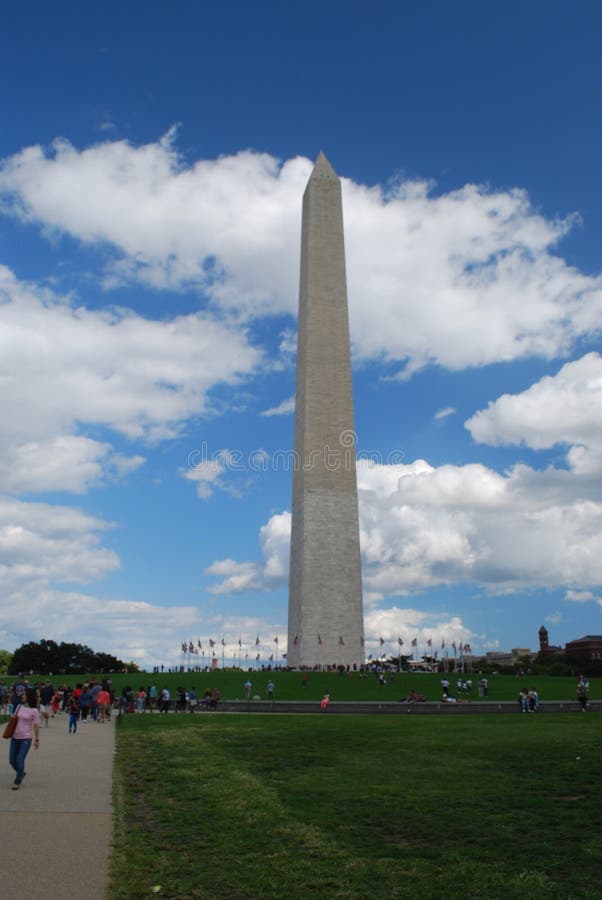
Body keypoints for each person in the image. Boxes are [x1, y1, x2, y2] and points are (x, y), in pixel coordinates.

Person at [8, 686, 40, 789]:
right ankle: (21, 773)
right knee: (12, 760)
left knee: (20, 759)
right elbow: (13, 718)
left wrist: (37, 740)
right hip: (15, 737)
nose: (23, 695)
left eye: (25, 694)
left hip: (26, 738)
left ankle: (17, 781)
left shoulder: (34, 711)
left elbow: (36, 726)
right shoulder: (19, 707)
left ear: (29, 696)